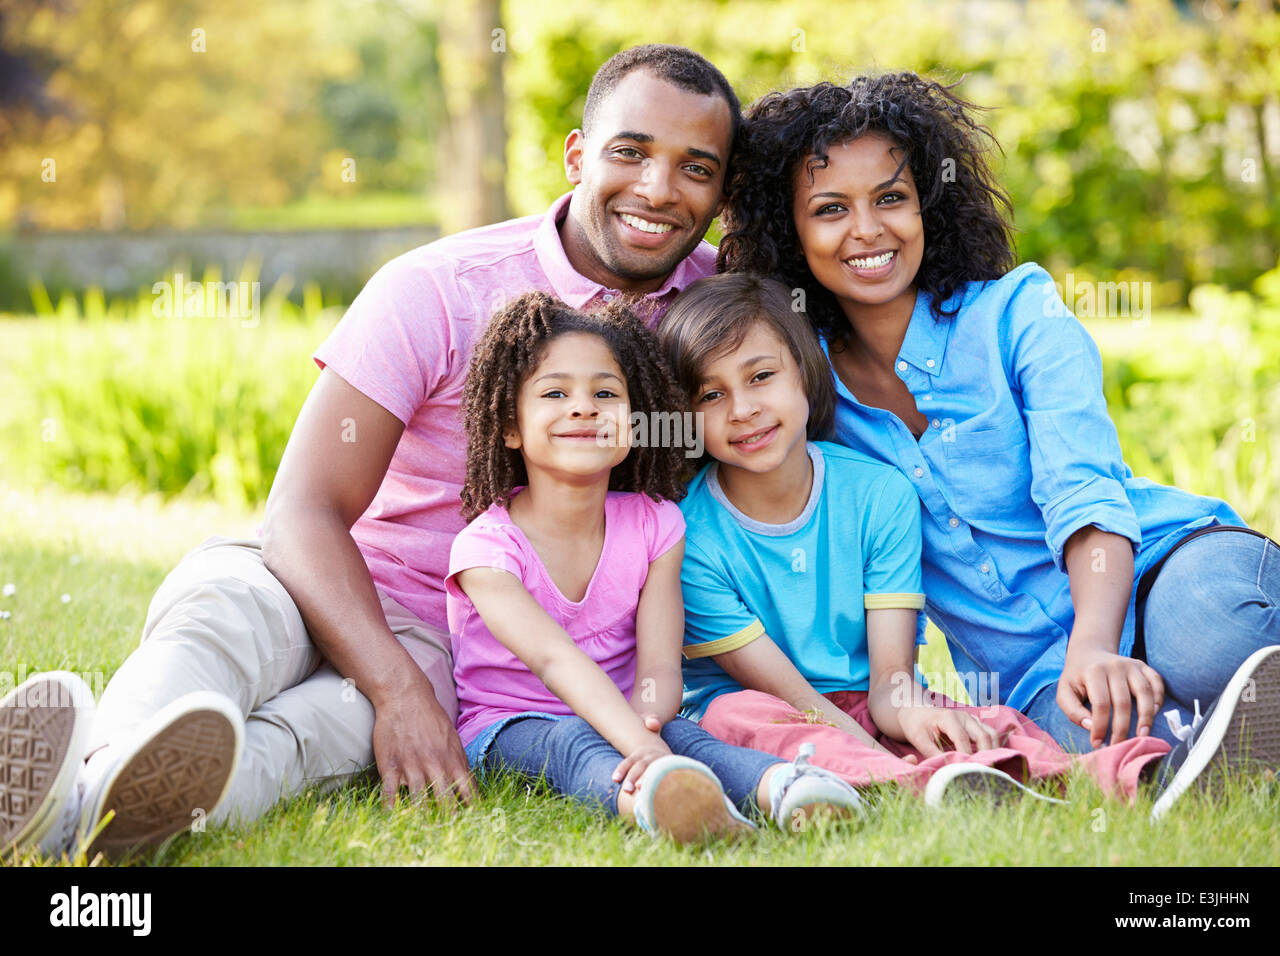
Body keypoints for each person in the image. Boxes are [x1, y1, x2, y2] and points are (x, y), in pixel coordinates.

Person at [0, 44, 748, 860]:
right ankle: (98, 774)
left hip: (437, 631)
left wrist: (409, 685)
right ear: (577, 155)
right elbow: (303, 510)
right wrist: (394, 689)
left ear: (720, 194)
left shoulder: (709, 325)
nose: (657, 189)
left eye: (695, 168)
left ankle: (83, 823)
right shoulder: (436, 287)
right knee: (214, 624)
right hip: (309, 571)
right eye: (630, 151)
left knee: (304, 740)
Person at [717, 73, 1280, 815]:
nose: (867, 230)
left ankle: (1225, 720)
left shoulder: (1018, 315)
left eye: (891, 198)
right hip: (1031, 675)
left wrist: (1094, 646)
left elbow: (1083, 492)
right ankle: (1226, 763)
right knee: (1111, 752)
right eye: (830, 210)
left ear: (929, 203)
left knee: (1214, 649)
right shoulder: (802, 393)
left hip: (1166, 571)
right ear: (789, 232)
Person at [657, 271, 1170, 806]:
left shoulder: (879, 494)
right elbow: (793, 697)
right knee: (740, 715)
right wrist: (875, 751)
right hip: (767, 712)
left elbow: (889, 684)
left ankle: (1122, 773)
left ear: (806, 373)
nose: (742, 410)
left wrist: (916, 717)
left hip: (867, 700)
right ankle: (920, 786)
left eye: (761, 376)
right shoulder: (688, 536)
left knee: (981, 721)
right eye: (711, 395)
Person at [445, 291, 861, 841]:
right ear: (510, 427)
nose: (583, 407)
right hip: (511, 726)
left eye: (605, 393)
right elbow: (555, 662)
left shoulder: (656, 525)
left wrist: (649, 722)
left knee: (692, 738)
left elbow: (661, 665)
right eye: (554, 393)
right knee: (572, 745)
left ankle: (788, 788)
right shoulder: (487, 549)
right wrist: (639, 744)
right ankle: (659, 801)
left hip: (628, 712)